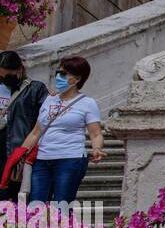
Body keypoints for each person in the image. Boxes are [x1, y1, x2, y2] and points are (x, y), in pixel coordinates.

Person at [17, 56, 103, 205]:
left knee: (61, 206)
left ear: (77, 79)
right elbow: (36, 132)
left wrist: (96, 149)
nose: (58, 77)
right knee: (35, 207)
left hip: (70, 159)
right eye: (58, 72)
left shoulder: (88, 103)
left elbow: (96, 134)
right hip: (42, 160)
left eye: (64, 74)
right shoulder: (49, 99)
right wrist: (19, 154)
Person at [0, 50, 49, 202]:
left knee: (14, 199)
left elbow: (45, 121)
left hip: (17, 152)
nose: (4, 79)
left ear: (19, 70)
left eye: (7, 75)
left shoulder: (35, 89)